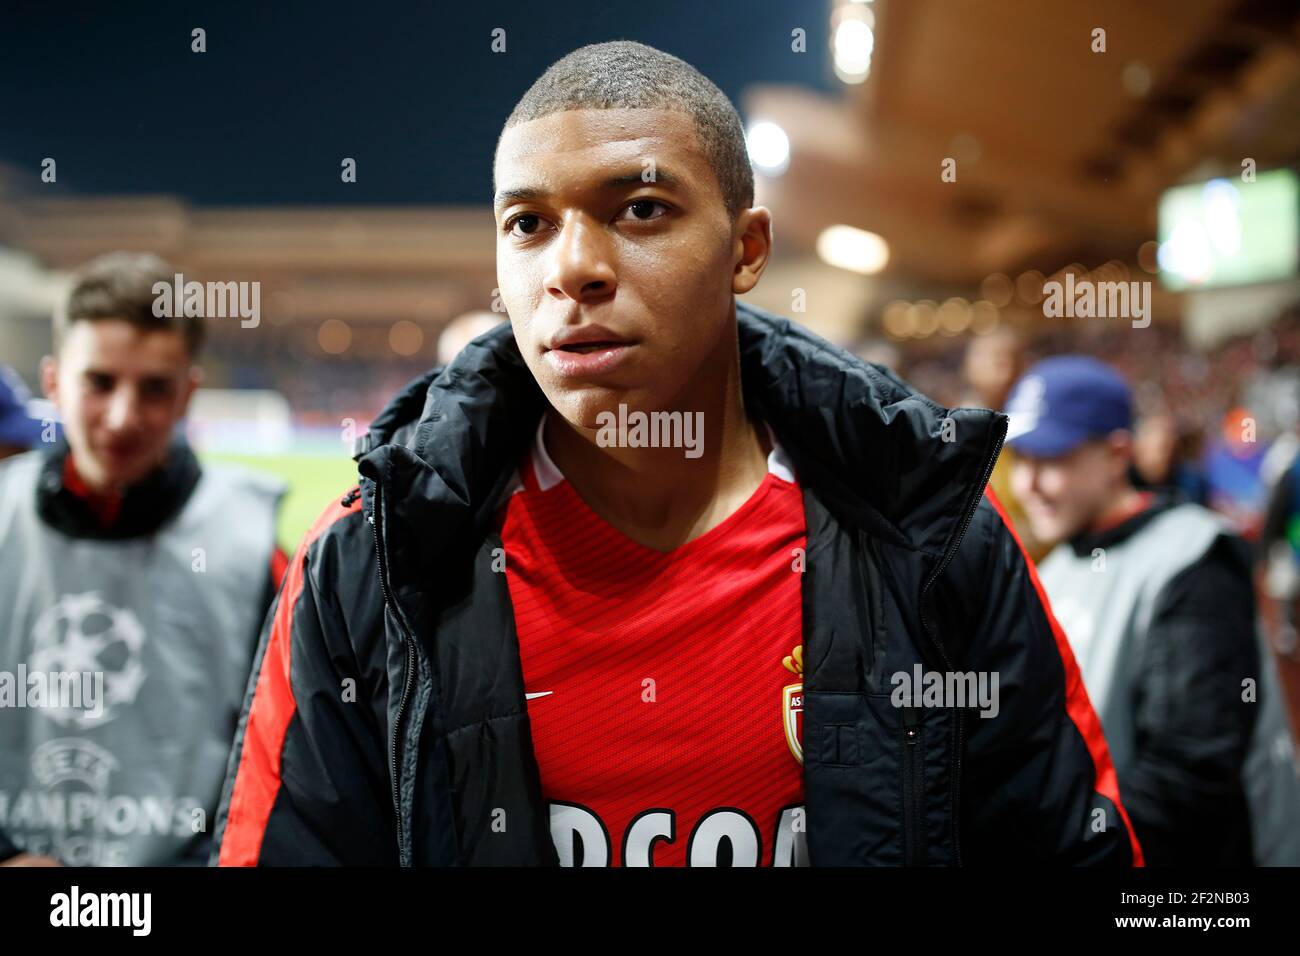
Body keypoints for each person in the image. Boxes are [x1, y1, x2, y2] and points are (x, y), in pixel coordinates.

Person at [212, 41, 1141, 867]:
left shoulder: (935, 546)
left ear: (747, 249)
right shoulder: (370, 562)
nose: (571, 267)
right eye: (527, 223)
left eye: (642, 209)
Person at [0, 252, 286, 866]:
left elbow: (290, 768)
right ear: (52, 383)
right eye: (99, 382)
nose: (124, 417)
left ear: (188, 394)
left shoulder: (255, 549)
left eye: (154, 388)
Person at [1007, 355, 1300, 866]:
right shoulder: (1051, 573)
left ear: (1117, 454)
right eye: (1021, 460)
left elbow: (1190, 776)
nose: (1029, 484)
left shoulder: (1194, 556)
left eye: (1052, 459)